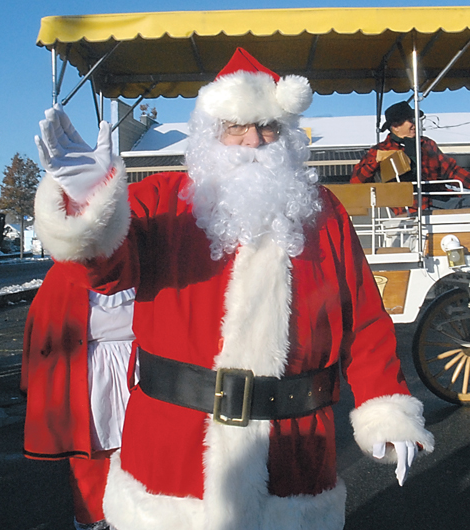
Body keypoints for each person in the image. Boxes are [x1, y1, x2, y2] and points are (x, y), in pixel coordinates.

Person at [32, 47, 434, 530]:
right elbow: (103, 270)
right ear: (209, 135)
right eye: (236, 127)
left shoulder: (322, 211)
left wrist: (385, 408)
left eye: (268, 126)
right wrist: (88, 202)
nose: (253, 140)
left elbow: (364, 319)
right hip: (173, 460)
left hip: (293, 456)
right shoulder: (161, 199)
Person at [351, 101, 470, 279]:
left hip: (444, 200)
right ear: (395, 126)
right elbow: (356, 182)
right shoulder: (379, 151)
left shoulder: (427, 144)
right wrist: (375, 162)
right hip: (413, 208)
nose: (414, 123)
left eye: (414, 119)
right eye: (409, 120)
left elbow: (452, 171)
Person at [21, 260, 135, 530]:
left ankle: (136, 515)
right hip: (87, 374)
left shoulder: (142, 266)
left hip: (137, 369)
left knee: (140, 452)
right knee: (91, 453)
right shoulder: (63, 274)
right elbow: (40, 330)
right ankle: (94, 517)